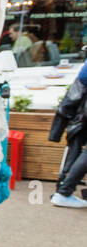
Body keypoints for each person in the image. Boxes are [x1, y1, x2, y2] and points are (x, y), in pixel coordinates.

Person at [49, 61, 87, 209]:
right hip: (81, 110)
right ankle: (64, 192)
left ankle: (63, 189)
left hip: (81, 111)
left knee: (76, 146)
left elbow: (81, 80)